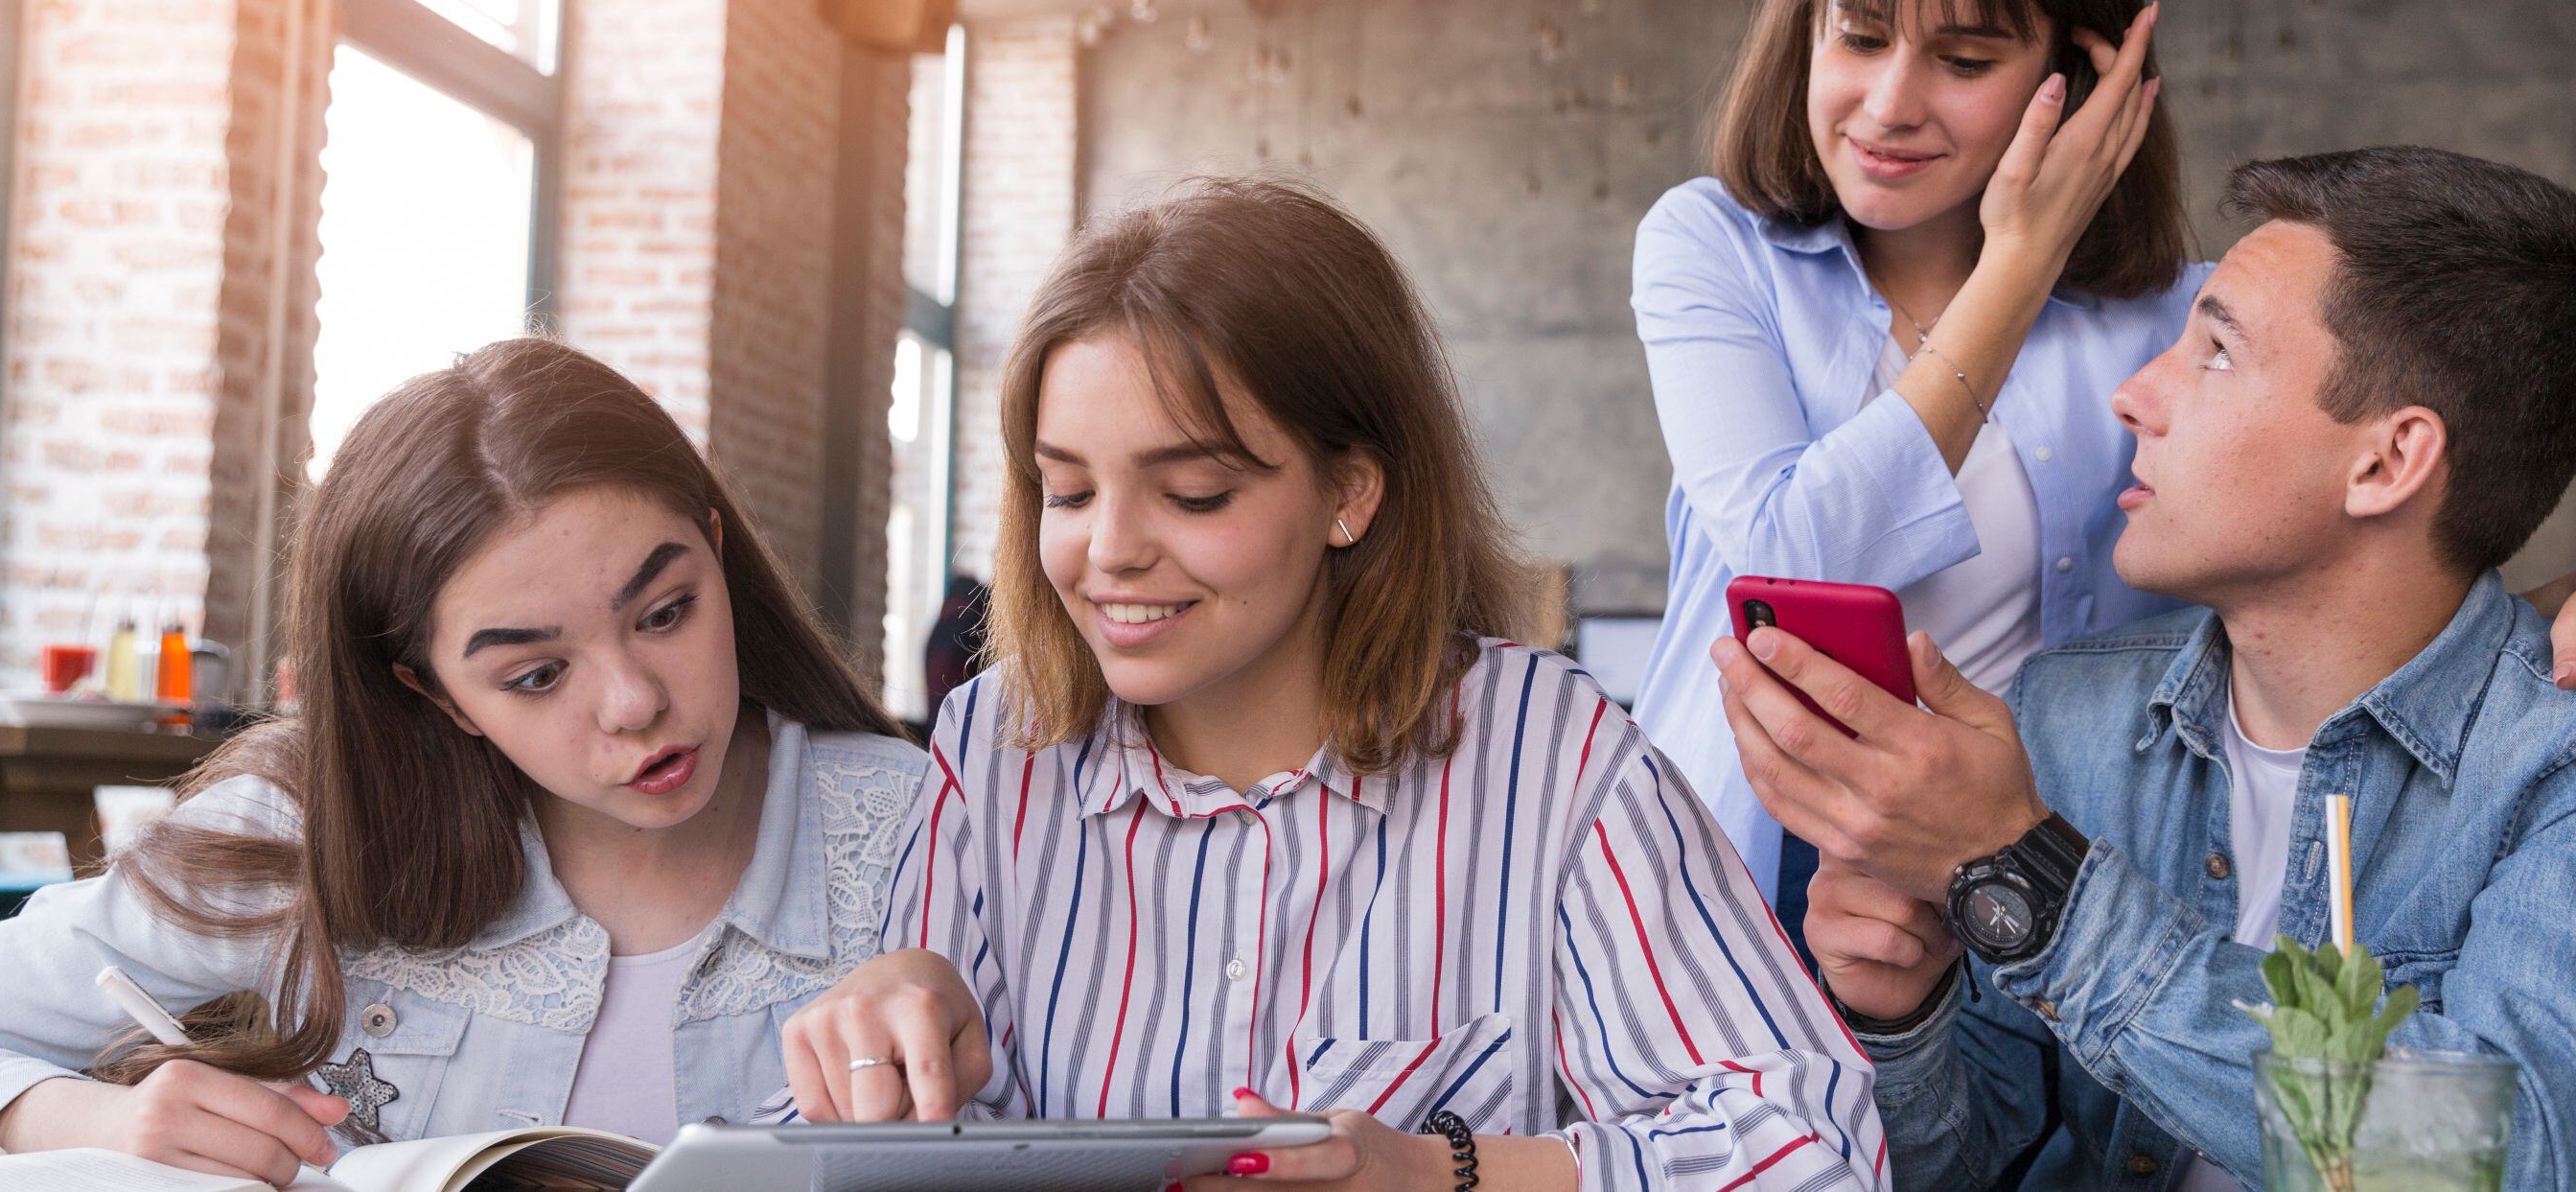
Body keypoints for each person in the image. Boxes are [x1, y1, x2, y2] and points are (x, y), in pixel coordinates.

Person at [774, 177, 1891, 1190]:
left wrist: (1440, 1172)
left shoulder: (1551, 756)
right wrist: (890, 1031)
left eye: (1194, 494)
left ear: (1350, 493)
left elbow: (1815, 1150)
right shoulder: (991, 751)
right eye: (1065, 493)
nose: (1107, 551)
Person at [1711, 146, 2576, 1190]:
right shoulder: (2064, 715)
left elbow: (2518, 1159)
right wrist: (1900, 1017)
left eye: (2216, 352)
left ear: (2386, 462)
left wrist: (2035, 888)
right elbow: (1962, 1161)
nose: (2135, 397)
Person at [1633, 0, 2576, 961]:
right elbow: (1785, 559)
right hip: (1732, 859)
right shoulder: (1716, 248)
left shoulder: (2181, 325)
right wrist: (2018, 264)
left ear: (2082, 79)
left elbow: (2367, 564)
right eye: (1858, 36)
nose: (1888, 102)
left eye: (1961, 59)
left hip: (2027, 877)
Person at [0, 339, 925, 1184]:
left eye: (666, 612)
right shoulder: (304, 830)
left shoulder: (923, 831)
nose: (634, 703)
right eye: (539, 674)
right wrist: (92, 1122)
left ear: (716, 550)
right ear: (435, 692)